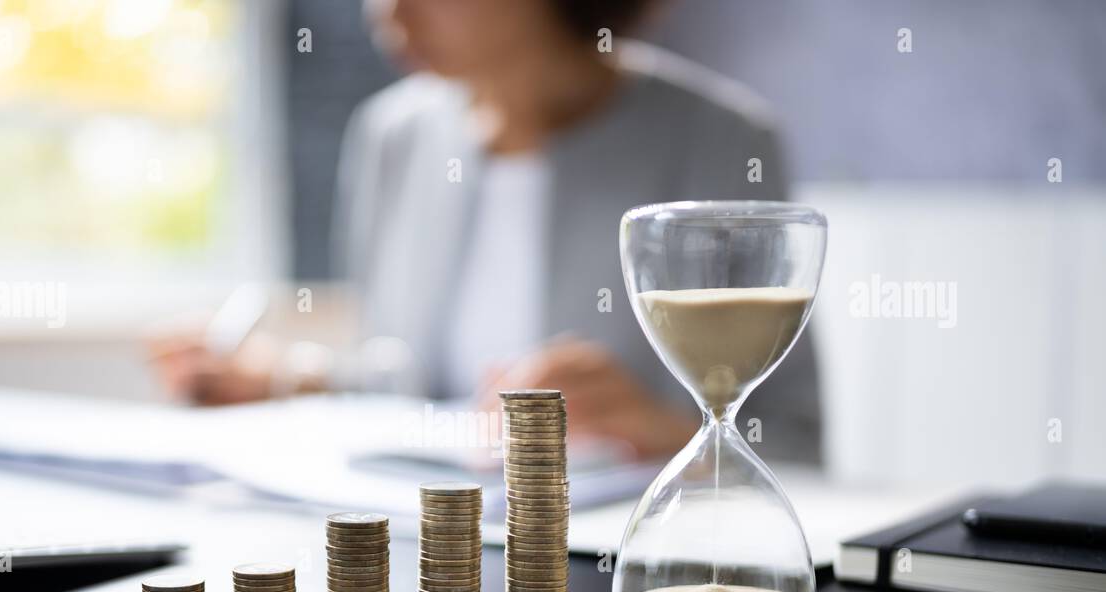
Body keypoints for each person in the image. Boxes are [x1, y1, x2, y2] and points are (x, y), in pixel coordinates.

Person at [154, 0, 821, 463]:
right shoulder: (395, 137)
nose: (387, 11)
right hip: (436, 549)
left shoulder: (723, 142)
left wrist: (668, 430)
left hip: (609, 556)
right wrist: (282, 380)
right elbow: (418, 391)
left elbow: (794, 439)